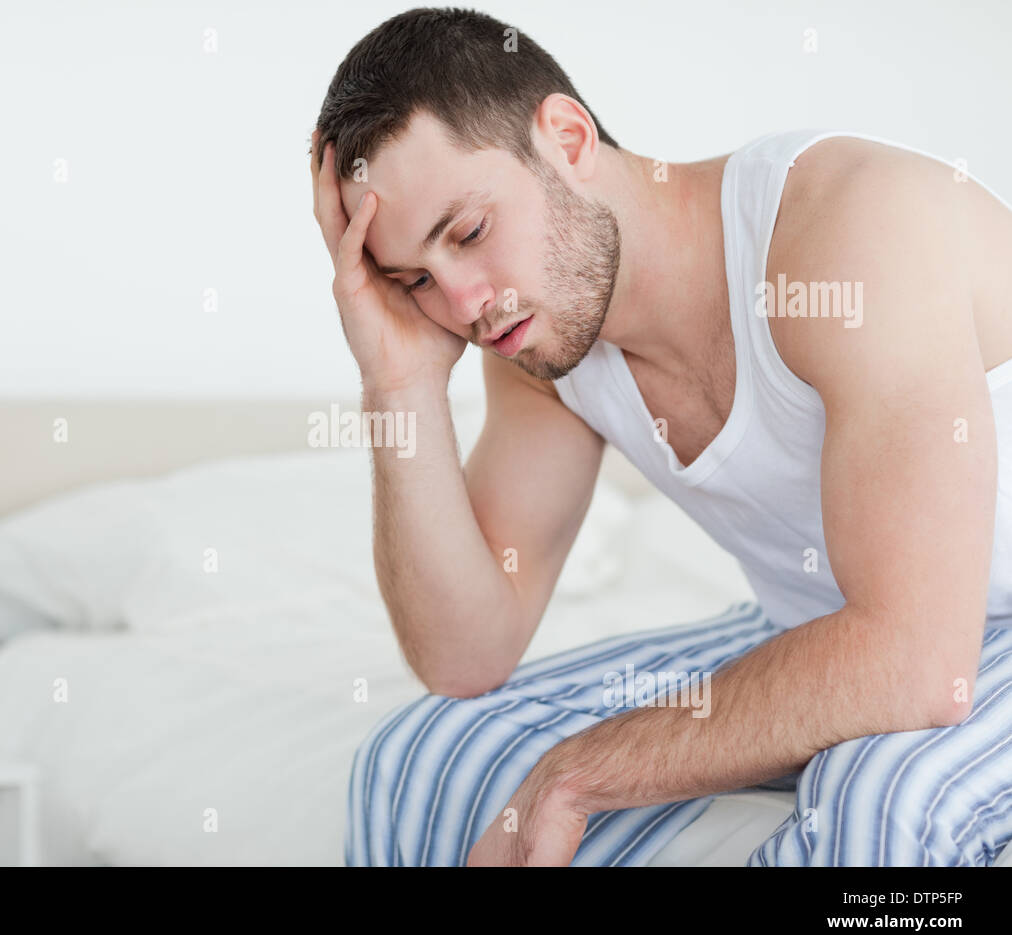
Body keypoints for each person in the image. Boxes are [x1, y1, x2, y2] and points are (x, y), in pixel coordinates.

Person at [310, 7, 1012, 866]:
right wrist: (399, 381)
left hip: (930, 632)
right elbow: (466, 655)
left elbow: (915, 662)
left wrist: (582, 773)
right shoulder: (535, 338)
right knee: (422, 757)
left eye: (469, 232)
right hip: (841, 621)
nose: (464, 304)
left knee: (884, 797)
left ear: (567, 138)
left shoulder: (848, 230)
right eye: (416, 277)